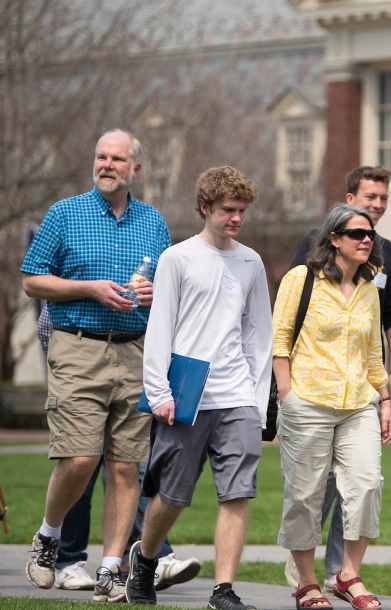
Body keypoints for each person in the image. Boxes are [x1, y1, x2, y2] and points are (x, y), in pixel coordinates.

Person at [20, 129, 172, 603]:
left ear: (136, 170)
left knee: (126, 466)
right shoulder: (64, 214)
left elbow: (169, 289)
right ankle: (48, 537)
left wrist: (154, 292)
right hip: (78, 344)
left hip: (136, 350)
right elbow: (31, 282)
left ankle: (110, 568)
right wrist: (89, 288)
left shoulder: (154, 221)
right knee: (82, 456)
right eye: (101, 157)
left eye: (117, 159)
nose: (106, 165)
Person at [122, 167, 272, 609]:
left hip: (237, 396)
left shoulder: (251, 262)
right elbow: (160, 330)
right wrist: (160, 393)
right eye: (228, 210)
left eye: (242, 211)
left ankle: (222, 590)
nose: (236, 219)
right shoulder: (178, 258)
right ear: (205, 207)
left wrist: (257, 401)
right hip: (185, 398)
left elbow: (257, 334)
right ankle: (145, 559)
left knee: (238, 491)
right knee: (172, 496)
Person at [284, 166, 391, 594]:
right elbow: (282, 333)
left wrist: (389, 393)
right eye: (356, 231)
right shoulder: (306, 265)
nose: (366, 236)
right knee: (307, 493)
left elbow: (381, 337)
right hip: (309, 397)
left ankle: (345, 573)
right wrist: (287, 394)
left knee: (365, 484)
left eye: (382, 200)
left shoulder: (377, 274)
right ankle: (304, 579)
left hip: (359, 397)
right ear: (334, 237)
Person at [32, 308, 200, 594]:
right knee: (81, 463)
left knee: (128, 468)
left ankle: (114, 570)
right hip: (81, 361)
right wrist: (67, 361)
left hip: (134, 360)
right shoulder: (79, 270)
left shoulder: (159, 266)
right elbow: (46, 325)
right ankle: (62, 555)